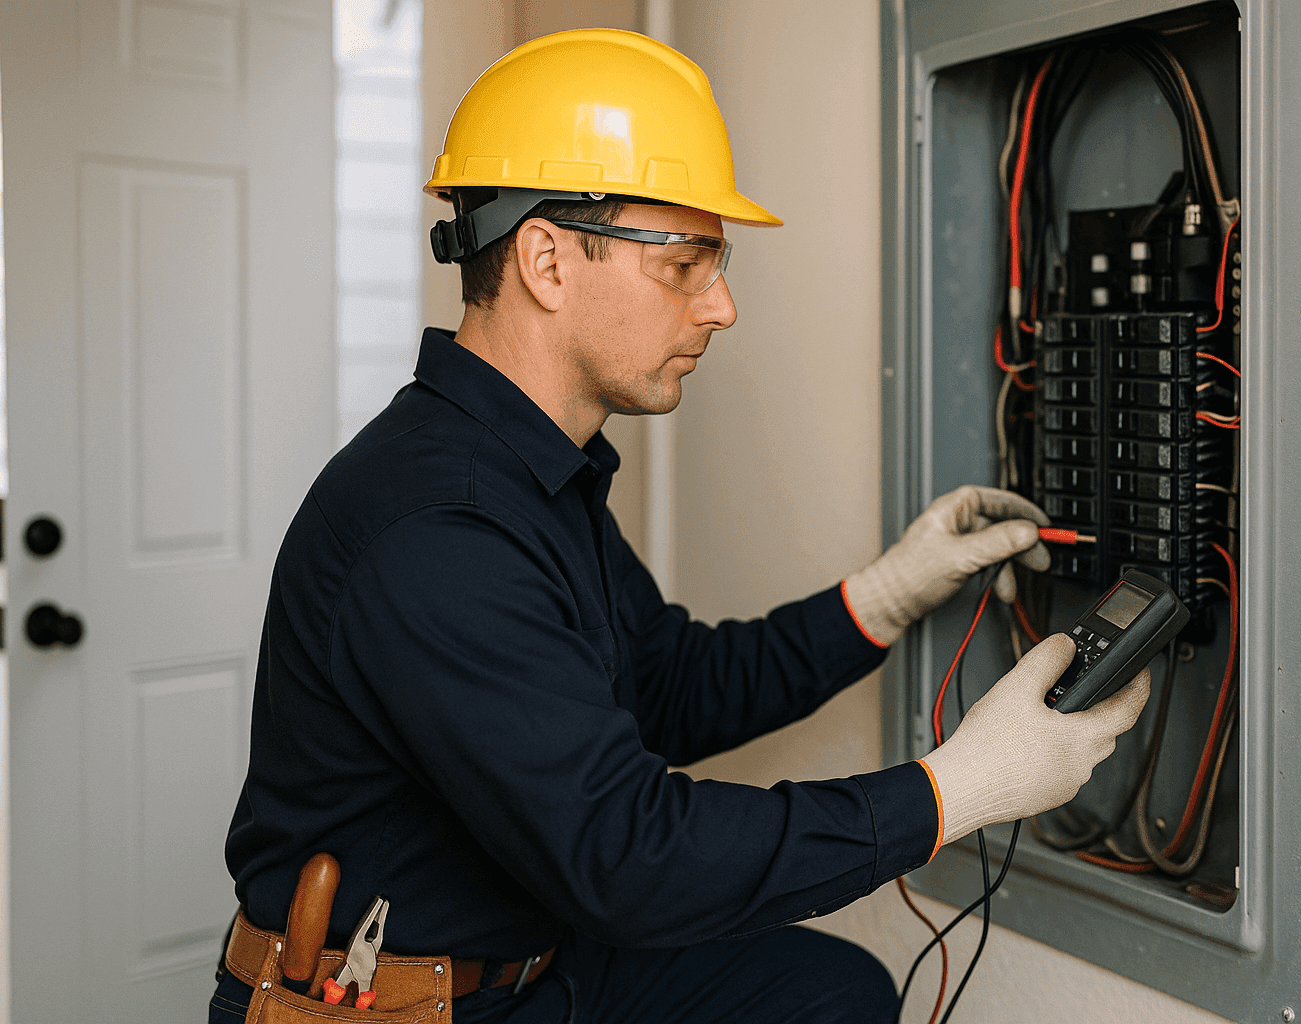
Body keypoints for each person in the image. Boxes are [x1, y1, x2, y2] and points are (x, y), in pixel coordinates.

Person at [210, 28, 1149, 1024]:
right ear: (546, 259)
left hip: (537, 961)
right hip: (400, 1009)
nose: (724, 307)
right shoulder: (439, 523)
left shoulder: (532, 477)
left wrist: (885, 593)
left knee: (832, 994)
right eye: (687, 263)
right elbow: (626, 853)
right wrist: (953, 792)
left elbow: (666, 686)